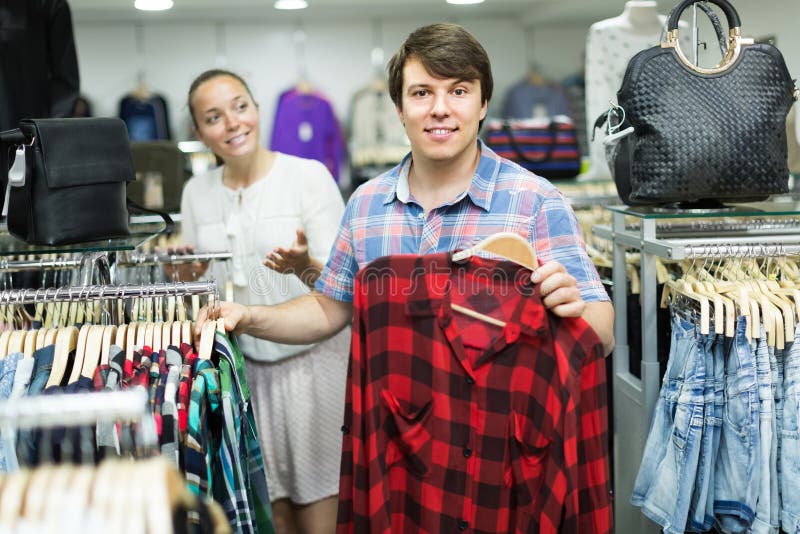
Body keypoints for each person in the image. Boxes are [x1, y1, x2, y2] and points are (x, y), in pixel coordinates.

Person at [198, 23, 613, 359]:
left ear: (483, 104)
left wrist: (571, 312)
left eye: (459, 91)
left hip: (498, 429)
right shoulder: (366, 205)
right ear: (399, 108)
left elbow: (604, 333)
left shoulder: (535, 201)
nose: (440, 109)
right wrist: (248, 316)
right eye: (421, 93)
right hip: (392, 428)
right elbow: (329, 308)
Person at [180, 69, 350, 534]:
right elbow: (199, 278)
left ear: (257, 109)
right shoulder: (195, 192)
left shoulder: (308, 177)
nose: (232, 123)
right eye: (214, 117)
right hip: (243, 372)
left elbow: (341, 289)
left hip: (316, 364)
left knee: (320, 507)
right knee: (267, 506)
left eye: (240, 106)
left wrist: (303, 265)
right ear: (199, 132)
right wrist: (183, 274)